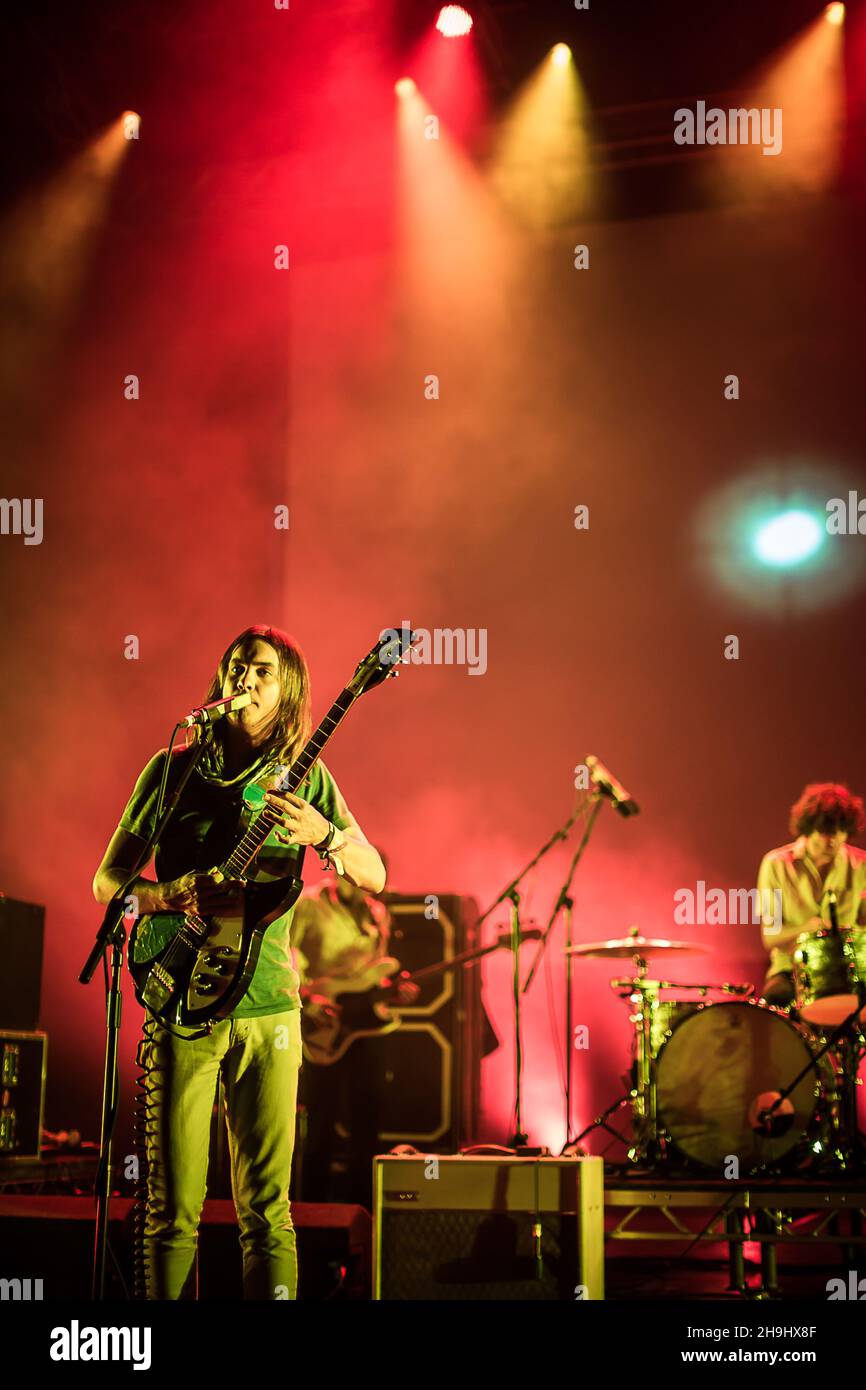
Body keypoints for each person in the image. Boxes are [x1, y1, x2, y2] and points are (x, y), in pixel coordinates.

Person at [92, 624, 385, 1299]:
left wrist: (326, 834)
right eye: (233, 668)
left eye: (260, 672)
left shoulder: (308, 776)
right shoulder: (172, 769)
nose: (242, 680)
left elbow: (375, 872)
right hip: (181, 1000)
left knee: (267, 1211)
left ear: (287, 694)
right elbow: (108, 883)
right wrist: (165, 895)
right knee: (169, 1213)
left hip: (271, 1007)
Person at [293, 868, 416, 1209]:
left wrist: (393, 992)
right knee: (322, 1123)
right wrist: (307, 1000)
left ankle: (362, 1212)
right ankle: (312, 1215)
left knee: (369, 1122)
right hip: (323, 1021)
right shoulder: (309, 905)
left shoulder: (377, 913)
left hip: (367, 1027)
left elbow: (377, 971)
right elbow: (288, 955)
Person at [758, 782, 866, 1009]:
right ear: (808, 828)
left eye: (841, 831)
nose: (833, 840)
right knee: (774, 1004)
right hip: (792, 971)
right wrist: (811, 928)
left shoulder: (861, 866)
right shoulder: (776, 865)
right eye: (825, 832)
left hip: (849, 972)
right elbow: (770, 937)